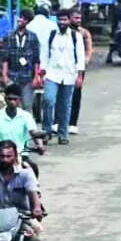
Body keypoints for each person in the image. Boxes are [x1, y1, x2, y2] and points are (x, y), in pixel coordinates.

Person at [41, 8, 86, 145]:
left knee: (65, 105)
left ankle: (63, 133)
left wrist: (80, 76)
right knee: (48, 100)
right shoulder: (51, 35)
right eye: (59, 20)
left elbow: (80, 56)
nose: (62, 22)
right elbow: (44, 54)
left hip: (69, 75)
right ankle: (46, 131)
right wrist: (42, 71)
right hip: (52, 74)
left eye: (64, 20)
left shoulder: (75, 36)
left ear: (69, 21)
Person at [0, 83, 44, 156]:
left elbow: (34, 133)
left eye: (15, 99)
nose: (12, 102)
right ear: (5, 99)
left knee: (32, 167)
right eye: (10, 99)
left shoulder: (26, 116)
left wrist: (40, 145)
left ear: (19, 100)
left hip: (20, 155)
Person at [0, 8, 41, 111]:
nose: (20, 20)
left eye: (24, 19)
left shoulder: (33, 37)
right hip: (12, 76)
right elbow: (5, 57)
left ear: (28, 21)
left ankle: (28, 127)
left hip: (27, 77)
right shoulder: (9, 36)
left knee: (27, 105)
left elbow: (36, 59)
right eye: (20, 17)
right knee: (12, 105)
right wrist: (4, 75)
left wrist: (36, 77)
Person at [26, 0, 59, 125]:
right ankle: (49, 120)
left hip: (32, 62)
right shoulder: (53, 26)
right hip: (49, 62)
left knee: (31, 90)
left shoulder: (29, 26)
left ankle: (32, 118)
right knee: (50, 94)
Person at [68, 9, 94, 135]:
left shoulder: (84, 33)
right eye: (75, 18)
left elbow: (89, 48)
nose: (78, 20)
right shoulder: (63, 32)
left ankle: (73, 123)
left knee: (76, 95)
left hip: (78, 67)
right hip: (64, 67)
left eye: (79, 18)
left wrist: (85, 60)